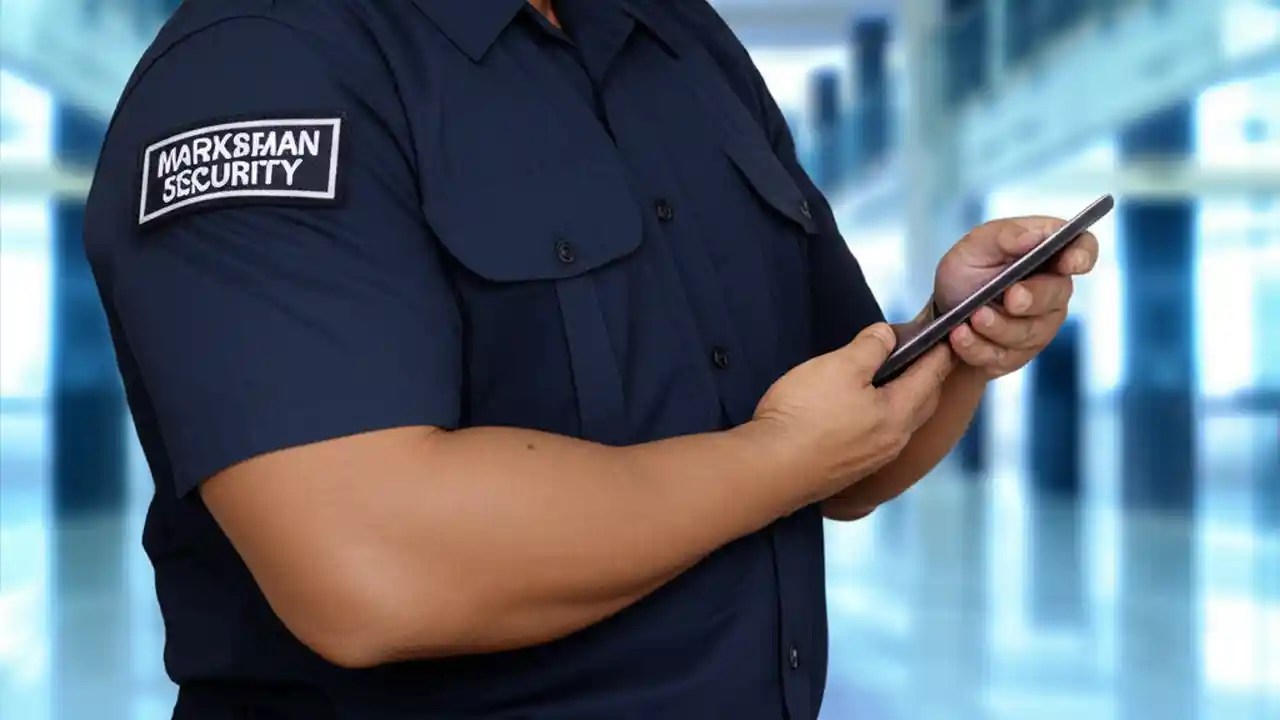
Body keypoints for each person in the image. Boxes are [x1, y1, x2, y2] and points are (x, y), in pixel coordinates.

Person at [83, 1, 1099, 717]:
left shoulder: (675, 38)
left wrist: (953, 335)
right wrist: (777, 455)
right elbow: (369, 569)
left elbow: (847, 452)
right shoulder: (260, 67)